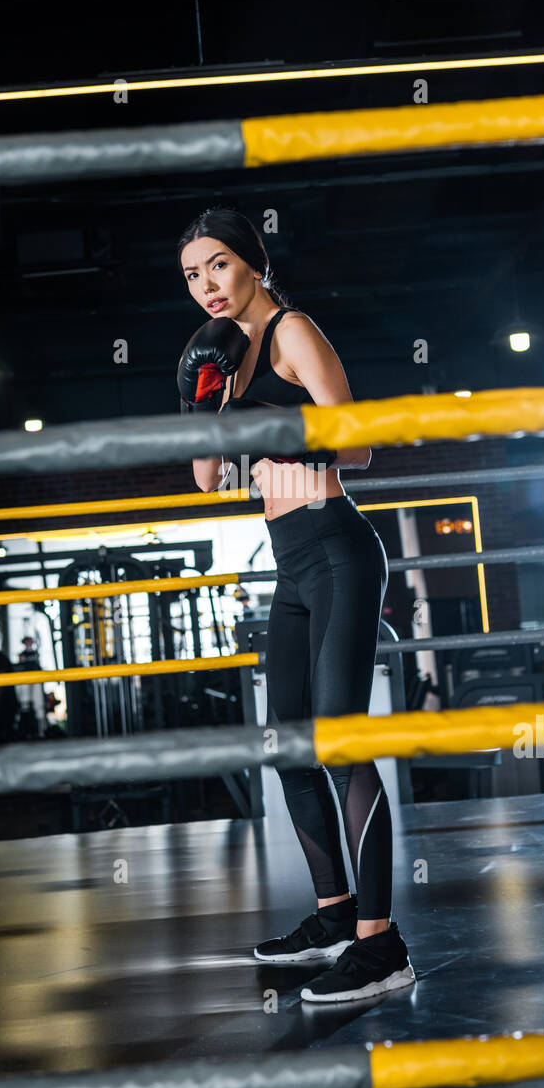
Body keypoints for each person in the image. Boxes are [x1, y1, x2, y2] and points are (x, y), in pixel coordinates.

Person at [177, 208, 414, 1003]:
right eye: (191, 274)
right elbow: (209, 482)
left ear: (252, 262)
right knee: (288, 745)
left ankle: (382, 948)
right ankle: (333, 915)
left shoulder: (292, 331)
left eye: (216, 265)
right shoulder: (227, 357)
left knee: (339, 743)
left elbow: (356, 447)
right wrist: (197, 402)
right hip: (289, 562)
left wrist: (272, 425)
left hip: (338, 547)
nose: (205, 285)